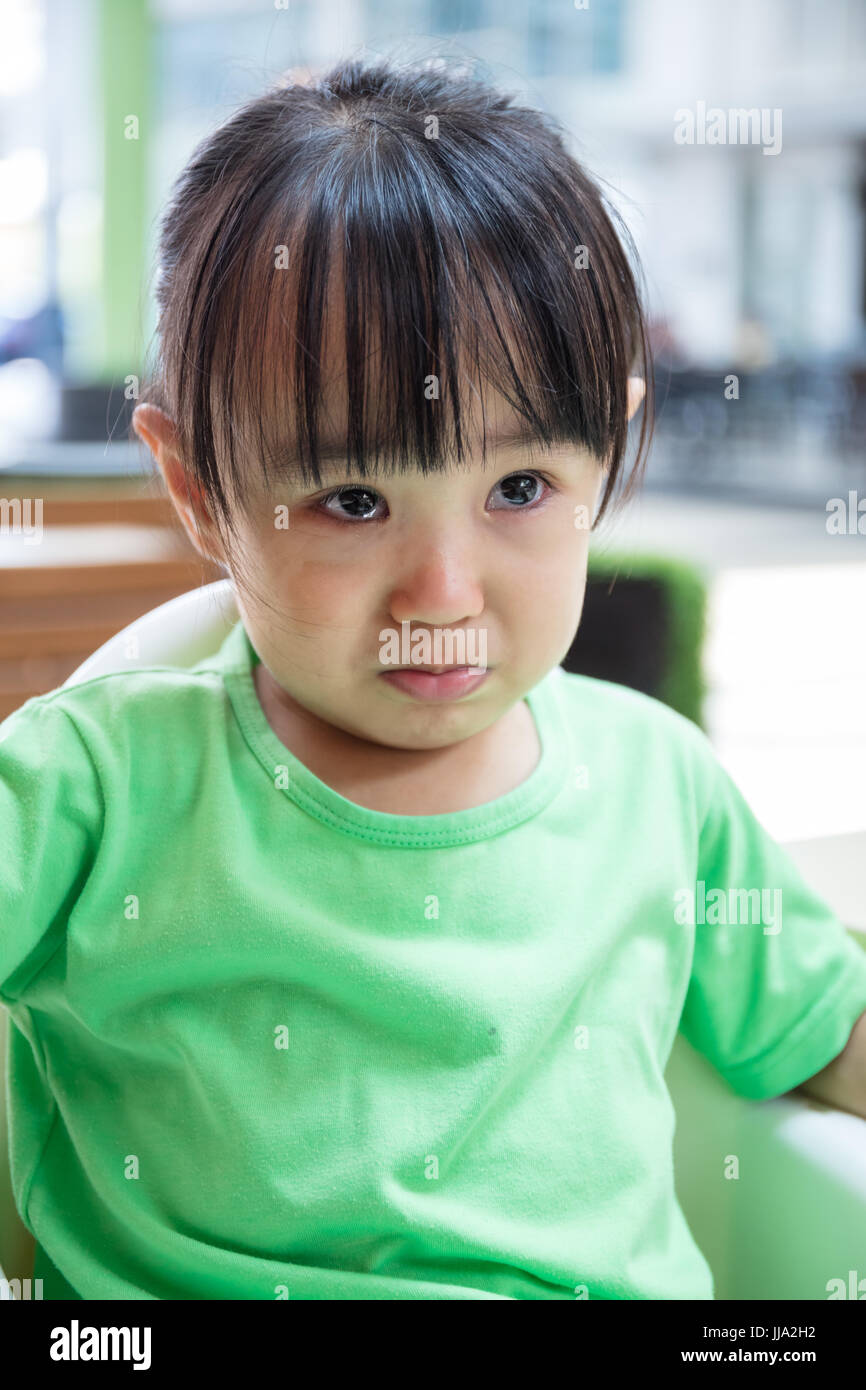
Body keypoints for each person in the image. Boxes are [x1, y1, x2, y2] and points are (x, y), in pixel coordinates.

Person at [2, 57, 865, 1302]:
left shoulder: (658, 786)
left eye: (519, 487)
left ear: (605, 452)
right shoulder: (89, 786)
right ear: (199, 491)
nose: (444, 593)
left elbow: (825, 1030)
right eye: (353, 501)